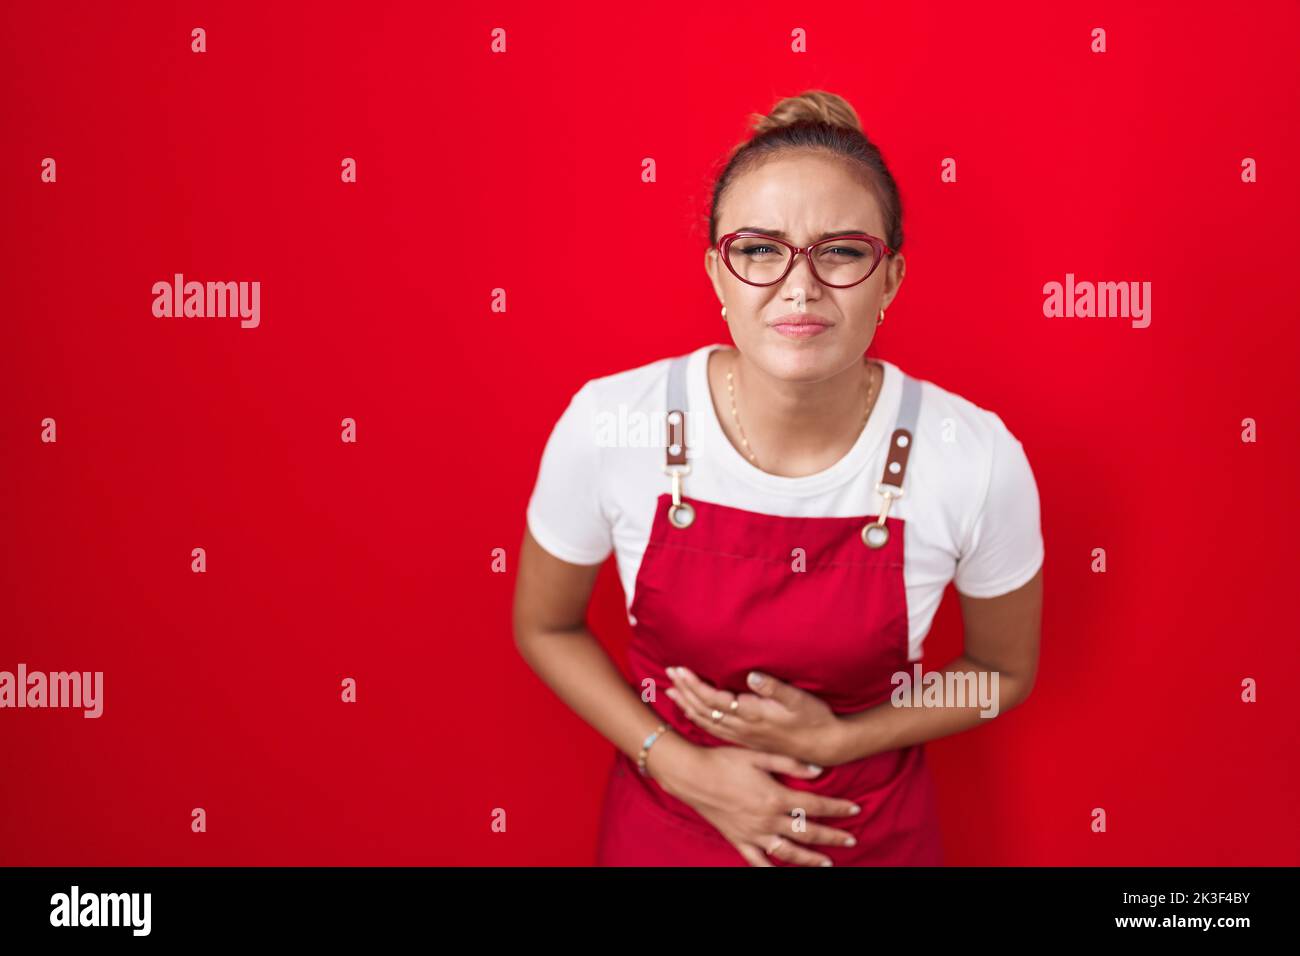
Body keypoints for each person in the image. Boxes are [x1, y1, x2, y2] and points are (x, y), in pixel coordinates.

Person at [512, 90, 1044, 867]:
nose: (800, 286)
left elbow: (1000, 674)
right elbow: (544, 627)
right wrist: (680, 763)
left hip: (871, 837)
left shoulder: (974, 455)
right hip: (668, 827)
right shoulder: (610, 422)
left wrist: (844, 736)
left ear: (889, 278)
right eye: (759, 249)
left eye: (842, 251)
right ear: (716, 274)